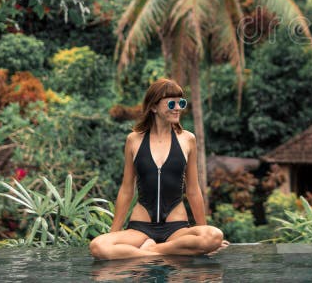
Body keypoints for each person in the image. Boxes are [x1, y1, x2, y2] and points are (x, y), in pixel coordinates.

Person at [90, 78, 229, 260]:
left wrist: (202, 235)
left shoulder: (188, 139)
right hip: (140, 228)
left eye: (181, 102)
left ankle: (152, 251)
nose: (178, 107)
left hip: (177, 228)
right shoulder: (134, 140)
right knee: (98, 246)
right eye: (171, 103)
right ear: (154, 107)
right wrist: (113, 234)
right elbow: (126, 189)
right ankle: (161, 250)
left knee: (213, 236)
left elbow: (193, 190)